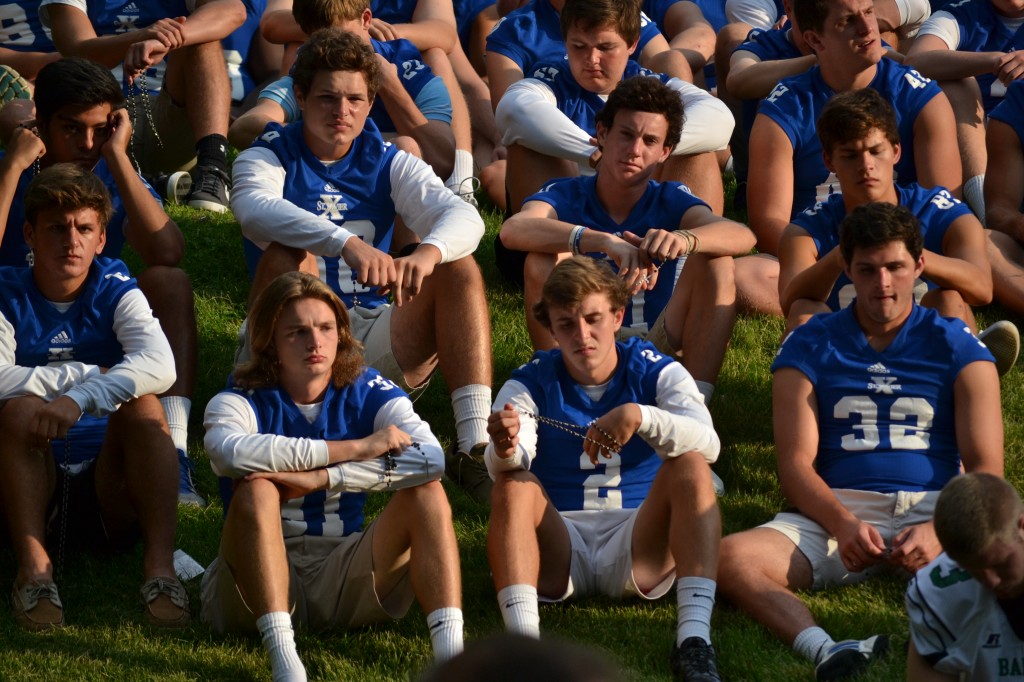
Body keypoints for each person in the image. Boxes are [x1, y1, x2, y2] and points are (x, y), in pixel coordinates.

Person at [717, 202, 1004, 681]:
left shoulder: (957, 343)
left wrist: (940, 529)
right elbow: (794, 464)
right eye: (868, 269)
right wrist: (843, 524)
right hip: (840, 510)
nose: (883, 283)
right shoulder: (810, 342)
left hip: (936, 505)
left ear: (920, 266)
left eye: (895, 267)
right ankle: (824, 647)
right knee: (730, 558)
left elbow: (987, 468)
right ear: (847, 270)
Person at [230, 28, 494, 504]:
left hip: (370, 332)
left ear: (371, 102)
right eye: (327, 97)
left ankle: (474, 444)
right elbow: (253, 209)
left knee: (458, 267)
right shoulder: (269, 152)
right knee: (288, 256)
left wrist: (427, 253)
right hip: (294, 339)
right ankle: (268, 404)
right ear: (300, 97)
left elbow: (464, 217)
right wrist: (345, 243)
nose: (342, 111)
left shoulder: (387, 158)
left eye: (355, 99)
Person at [202, 271, 464, 682]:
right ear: (269, 340)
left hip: (345, 567)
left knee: (428, 493)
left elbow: (431, 459)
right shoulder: (239, 396)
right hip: (257, 577)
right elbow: (227, 452)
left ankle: (453, 659)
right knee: (257, 491)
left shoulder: (368, 389)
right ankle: (284, 660)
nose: (315, 342)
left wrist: (324, 479)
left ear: (341, 333)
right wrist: (355, 448)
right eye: (297, 332)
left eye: (325, 328)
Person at [486, 256, 724, 682]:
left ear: (617, 317)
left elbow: (709, 442)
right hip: (561, 545)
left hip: (639, 539)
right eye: (566, 324)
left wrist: (640, 415)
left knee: (691, 464)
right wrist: (505, 447)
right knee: (513, 485)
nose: (582, 335)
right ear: (551, 329)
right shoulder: (531, 380)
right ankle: (524, 652)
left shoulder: (654, 368)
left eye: (593, 319)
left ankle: (694, 639)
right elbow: (509, 461)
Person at [0, 57, 204, 506]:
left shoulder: (110, 167)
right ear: (40, 124)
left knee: (169, 282)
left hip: (95, 319)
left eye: (100, 129)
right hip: (15, 327)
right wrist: (12, 169)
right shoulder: (10, 166)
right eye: (72, 128)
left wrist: (118, 156)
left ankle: (174, 449)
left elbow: (167, 251)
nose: (87, 143)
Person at [0, 163, 186, 631]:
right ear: (29, 234)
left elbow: (161, 365)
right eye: (56, 228)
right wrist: (84, 375)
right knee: (20, 410)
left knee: (146, 406)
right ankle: (34, 572)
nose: (72, 241)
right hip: (29, 471)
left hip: (110, 484)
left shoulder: (114, 284)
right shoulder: (6, 291)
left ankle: (160, 570)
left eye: (84, 229)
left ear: (102, 239)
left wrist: (79, 400)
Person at [500, 75, 755, 408]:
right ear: (602, 134)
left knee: (718, 263)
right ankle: (560, 391)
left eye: (650, 141)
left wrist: (682, 239)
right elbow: (514, 229)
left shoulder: (669, 197)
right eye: (626, 134)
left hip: (659, 344)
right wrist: (602, 241)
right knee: (541, 260)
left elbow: (743, 235)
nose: (635, 150)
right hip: (585, 338)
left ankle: (692, 407)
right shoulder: (567, 194)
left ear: (665, 152)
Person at [776, 89, 1018, 375]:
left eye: (875, 151)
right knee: (805, 312)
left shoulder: (938, 210)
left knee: (948, 300)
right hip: (844, 354)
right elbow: (790, 300)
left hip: (922, 348)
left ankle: (965, 367)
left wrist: (905, 252)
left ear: (896, 151)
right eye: (850, 155)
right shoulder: (809, 227)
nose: (866, 166)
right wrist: (847, 252)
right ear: (829, 162)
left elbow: (982, 289)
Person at [748, 0, 959, 257]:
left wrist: (890, 263)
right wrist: (843, 266)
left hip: (907, 257)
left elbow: (943, 212)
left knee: (983, 251)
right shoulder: (785, 107)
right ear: (814, 39)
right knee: (753, 273)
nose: (867, 28)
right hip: (816, 256)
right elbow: (769, 224)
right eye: (847, 21)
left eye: (869, 12)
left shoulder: (920, 97)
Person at [494, 0, 732, 217]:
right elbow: (512, 109)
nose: (592, 59)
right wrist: (594, 152)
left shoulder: (648, 83)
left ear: (632, 44)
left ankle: (690, 247)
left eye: (605, 47)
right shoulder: (552, 80)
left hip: (645, 213)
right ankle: (559, 248)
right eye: (579, 46)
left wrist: (646, 148)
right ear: (565, 41)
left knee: (701, 152)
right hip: (572, 219)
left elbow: (720, 118)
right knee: (525, 142)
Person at [39, 0, 247, 212]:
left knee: (202, 37)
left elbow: (233, 9)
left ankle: (213, 171)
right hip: (102, 118)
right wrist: (143, 36)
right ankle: (151, 182)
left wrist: (167, 39)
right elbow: (77, 50)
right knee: (35, 115)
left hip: (170, 110)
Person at [229, 0, 458, 183]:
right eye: (322, 41)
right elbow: (245, 128)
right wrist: (334, 144)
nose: (336, 51)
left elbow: (442, 161)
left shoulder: (411, 74)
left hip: (388, 203)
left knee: (405, 147)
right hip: (322, 193)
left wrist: (391, 87)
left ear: (366, 19)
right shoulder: (311, 71)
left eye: (343, 37)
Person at [906, 473, 1024, 681]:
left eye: (1000, 564)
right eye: (974, 569)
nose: (992, 582)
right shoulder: (939, 593)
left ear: (1021, 525)